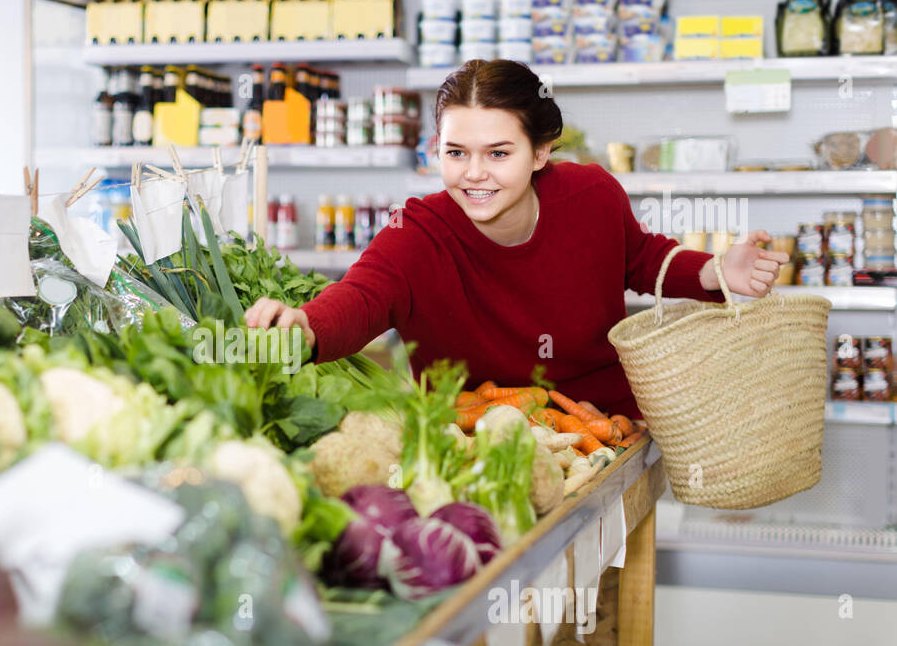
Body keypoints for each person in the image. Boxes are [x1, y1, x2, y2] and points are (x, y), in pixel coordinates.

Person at [244, 59, 789, 418]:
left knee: (595, 595)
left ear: (541, 152)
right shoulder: (417, 233)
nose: (474, 174)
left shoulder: (590, 195)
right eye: (456, 153)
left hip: (606, 426)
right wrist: (305, 328)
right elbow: (361, 298)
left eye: (498, 153)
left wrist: (717, 272)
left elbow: (641, 257)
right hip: (478, 443)